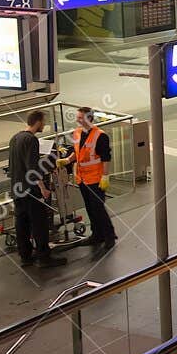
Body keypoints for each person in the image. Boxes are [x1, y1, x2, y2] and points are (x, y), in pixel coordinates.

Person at [7, 110, 58, 266]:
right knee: (39, 223)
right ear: (37, 122)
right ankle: (44, 257)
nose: (44, 125)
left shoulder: (15, 138)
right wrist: (42, 188)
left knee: (21, 224)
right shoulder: (31, 140)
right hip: (31, 191)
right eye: (43, 122)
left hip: (17, 188)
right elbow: (32, 168)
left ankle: (25, 256)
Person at [65, 106, 116, 254]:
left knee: (98, 208)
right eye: (78, 117)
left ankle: (109, 236)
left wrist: (105, 176)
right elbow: (77, 152)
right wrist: (68, 160)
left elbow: (106, 158)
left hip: (95, 179)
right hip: (82, 179)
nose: (77, 120)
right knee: (89, 208)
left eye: (80, 117)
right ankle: (96, 234)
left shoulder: (100, 136)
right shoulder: (77, 133)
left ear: (89, 118)